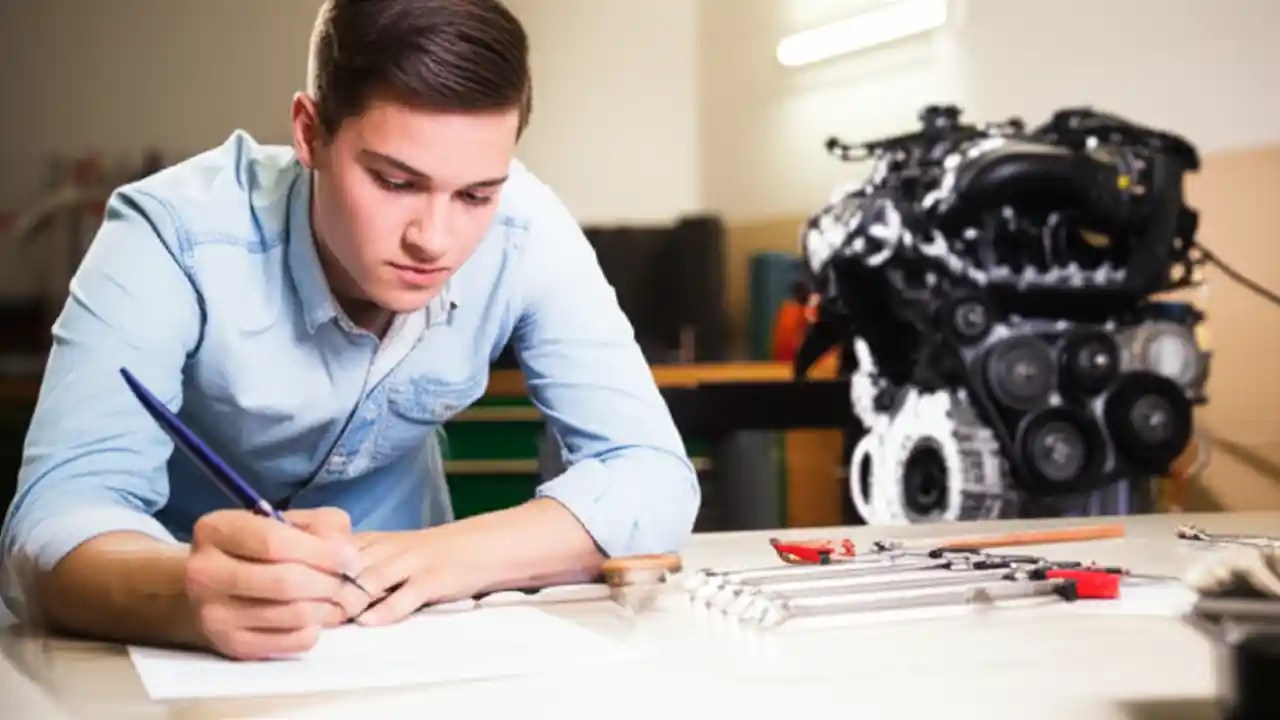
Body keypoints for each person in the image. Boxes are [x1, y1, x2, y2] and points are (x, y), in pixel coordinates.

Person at [0, 0, 699, 661]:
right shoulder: (172, 235)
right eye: (396, 182)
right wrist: (183, 596)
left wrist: (440, 557)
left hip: (415, 631)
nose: (436, 239)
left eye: (476, 195)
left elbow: (655, 476)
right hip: (189, 647)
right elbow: (54, 520)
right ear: (310, 132)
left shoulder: (525, 228)